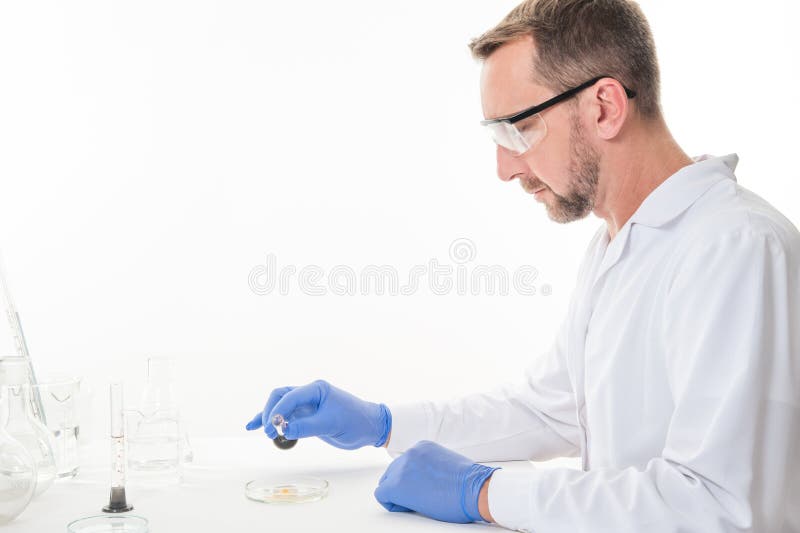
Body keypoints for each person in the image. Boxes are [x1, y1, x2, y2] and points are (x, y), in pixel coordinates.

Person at [246, 1, 800, 531]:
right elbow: (550, 410)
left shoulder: (736, 248)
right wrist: (385, 423)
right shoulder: (619, 246)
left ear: (604, 106)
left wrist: (484, 493)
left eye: (516, 129)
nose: (504, 168)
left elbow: (716, 507)